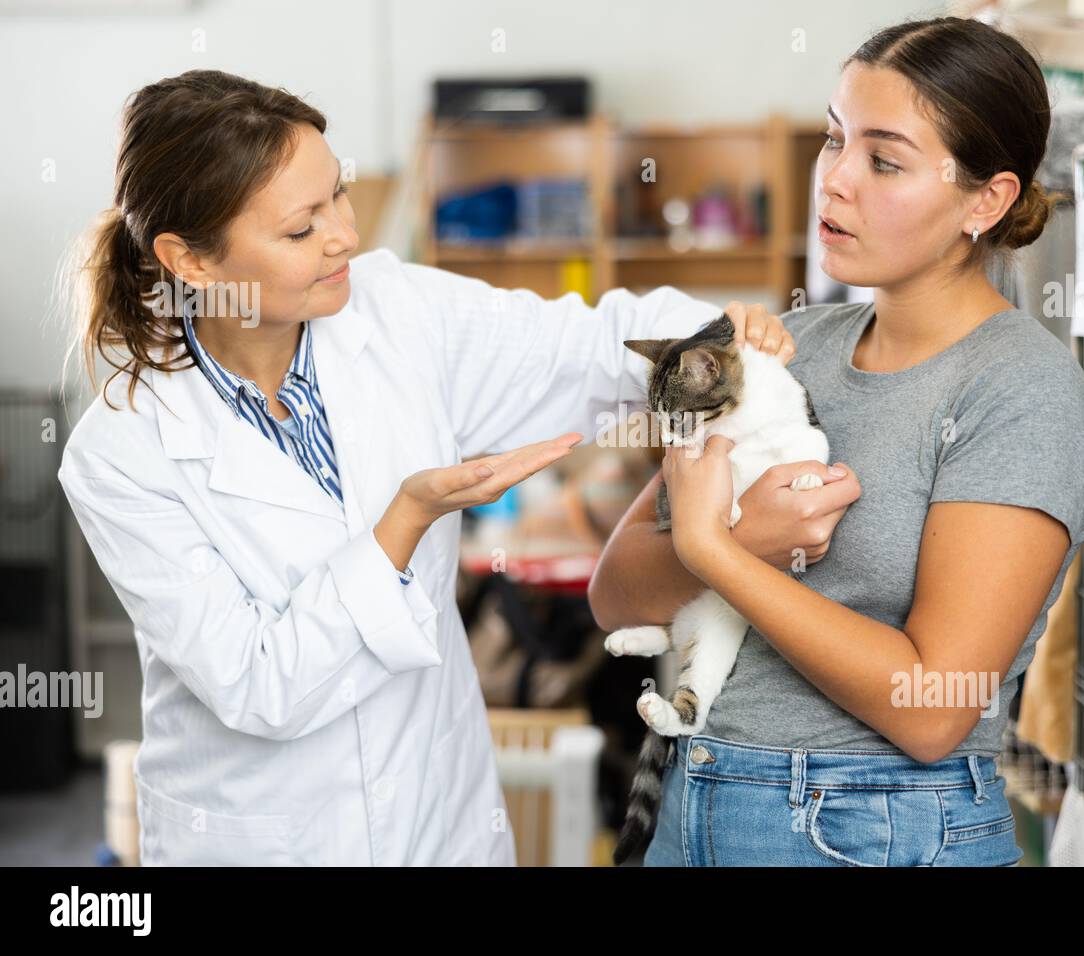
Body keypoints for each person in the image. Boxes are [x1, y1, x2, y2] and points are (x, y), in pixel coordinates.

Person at [56, 69, 805, 866]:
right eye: (301, 228)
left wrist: (709, 338)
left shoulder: (395, 311)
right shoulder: (121, 454)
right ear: (190, 261)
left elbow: (586, 347)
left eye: (336, 196)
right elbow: (257, 685)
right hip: (263, 838)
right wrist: (403, 523)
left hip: (440, 818)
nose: (343, 234)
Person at [588, 16, 1084, 866]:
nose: (833, 181)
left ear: (987, 200)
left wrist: (715, 550)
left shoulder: (1019, 391)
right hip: (695, 803)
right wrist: (729, 538)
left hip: (874, 832)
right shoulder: (788, 347)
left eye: (884, 160)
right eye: (834, 139)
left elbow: (936, 707)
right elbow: (614, 597)